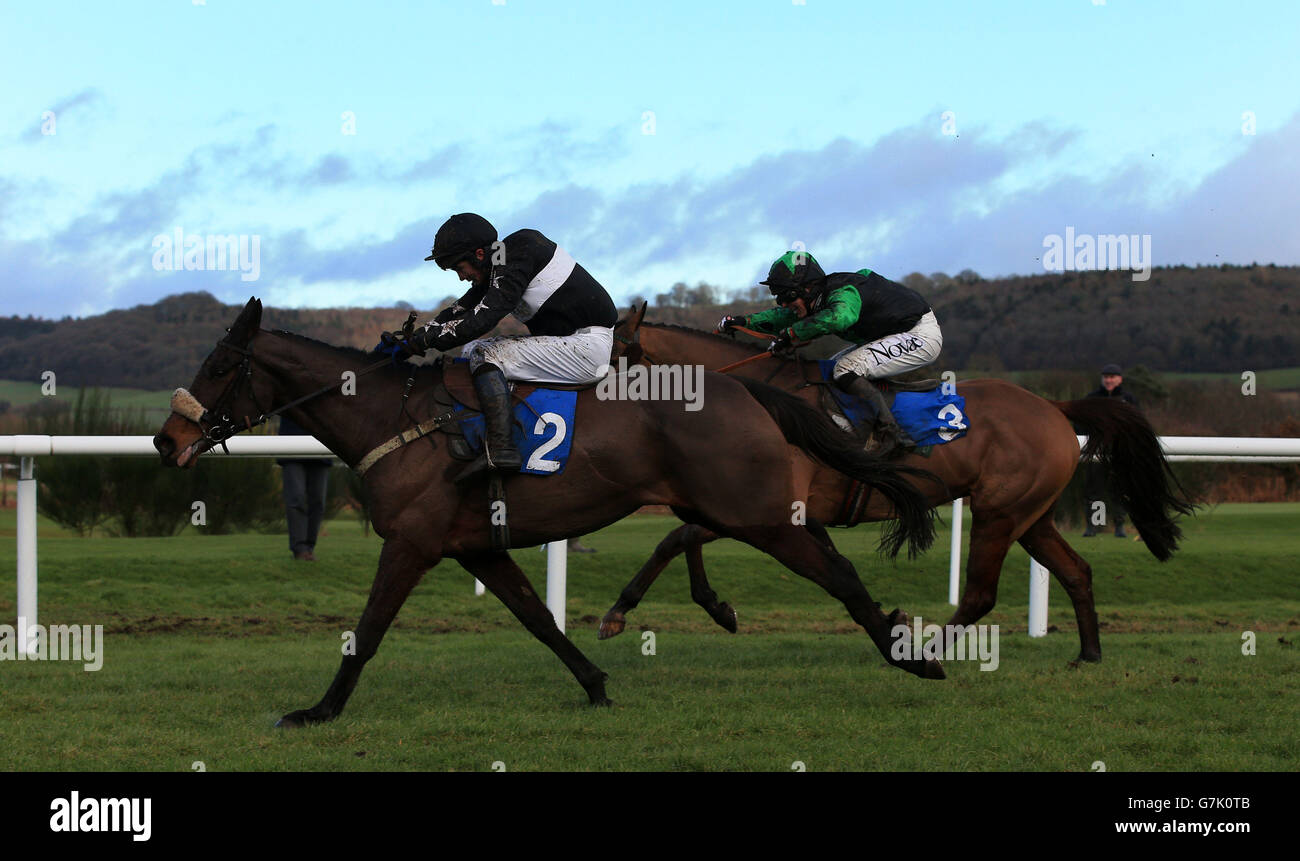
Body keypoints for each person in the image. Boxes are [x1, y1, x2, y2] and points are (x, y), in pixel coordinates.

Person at [389, 213, 618, 484]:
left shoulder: (519, 250)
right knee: (472, 350)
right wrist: (414, 338)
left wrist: (422, 342)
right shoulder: (501, 261)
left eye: (460, 268)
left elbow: (483, 318)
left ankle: (501, 449)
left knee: (488, 353)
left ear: (478, 254)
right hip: (573, 345)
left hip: (587, 348)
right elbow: (463, 308)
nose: (462, 277)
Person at [718, 250, 942, 455]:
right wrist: (743, 322)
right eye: (780, 298)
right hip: (892, 335)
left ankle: (891, 432)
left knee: (845, 369)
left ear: (806, 288)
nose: (784, 304)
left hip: (920, 335)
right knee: (827, 370)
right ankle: (859, 426)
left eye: (787, 296)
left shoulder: (843, 291)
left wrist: (793, 334)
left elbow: (841, 317)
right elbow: (781, 318)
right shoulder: (815, 299)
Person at [1082, 363, 1140, 538]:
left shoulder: (1128, 399)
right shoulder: (1092, 398)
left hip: (1120, 452)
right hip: (1097, 451)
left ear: (1120, 379)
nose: (1108, 380)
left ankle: (1119, 527)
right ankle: (1095, 526)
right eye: (1106, 377)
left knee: (1120, 490)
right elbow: (1080, 422)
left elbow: (1139, 422)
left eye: (1112, 377)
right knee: (1095, 490)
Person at [277, 415, 332, 561]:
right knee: (296, 498)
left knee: (318, 502)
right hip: (291, 446)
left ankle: (309, 548)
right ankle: (300, 549)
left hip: (321, 448)